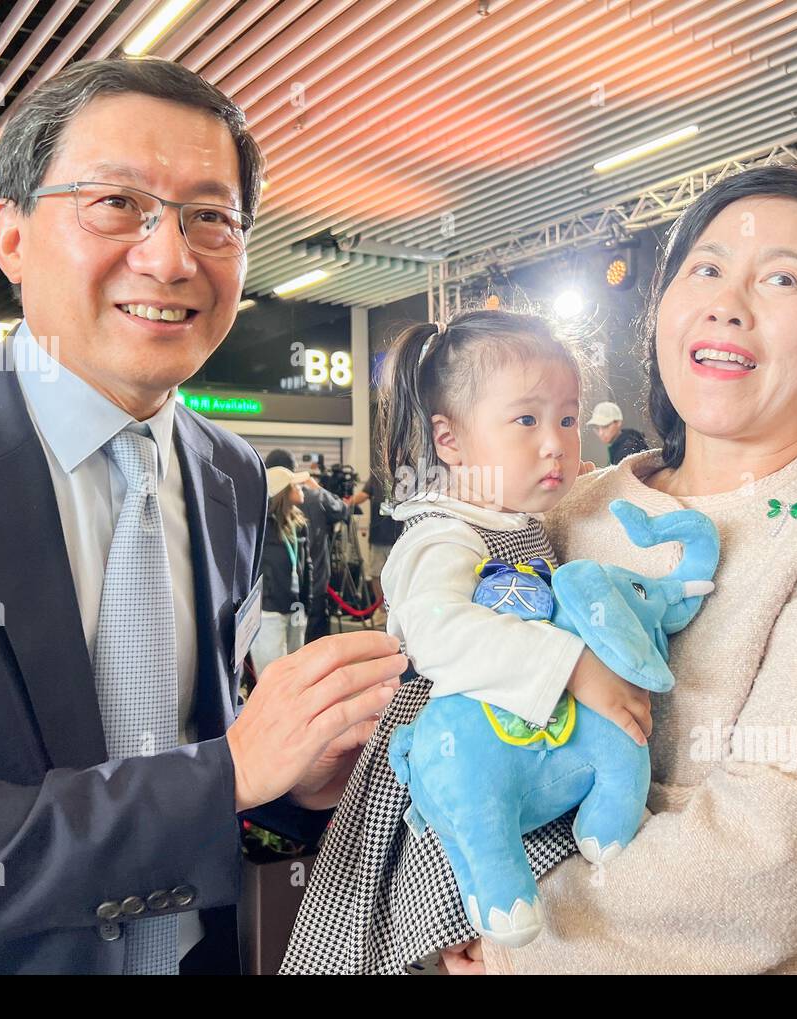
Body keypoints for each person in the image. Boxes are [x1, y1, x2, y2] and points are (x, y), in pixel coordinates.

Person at [0, 57, 406, 975]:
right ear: (10, 236)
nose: (171, 258)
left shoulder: (232, 473)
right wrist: (229, 773)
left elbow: (197, 740)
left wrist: (297, 781)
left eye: (211, 217)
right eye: (116, 203)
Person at [440, 165, 797, 974]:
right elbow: (462, 723)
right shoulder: (571, 510)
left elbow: (775, 853)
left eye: (782, 278)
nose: (728, 303)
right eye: (705, 268)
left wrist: (509, 940)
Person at [280, 310, 653, 974]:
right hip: (447, 750)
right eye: (526, 420)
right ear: (449, 440)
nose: (556, 444)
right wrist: (572, 666)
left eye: (568, 419)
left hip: (515, 738)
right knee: (450, 895)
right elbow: (438, 632)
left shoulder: (520, 521)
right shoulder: (442, 533)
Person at [263, 449, 347, 643]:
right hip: (311, 592)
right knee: (313, 648)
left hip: (275, 599)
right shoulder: (315, 497)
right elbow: (342, 511)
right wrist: (318, 488)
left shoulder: (260, 506)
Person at [249, 465, 312, 671]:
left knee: (295, 670)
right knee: (272, 671)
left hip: (296, 607)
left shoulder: (299, 523)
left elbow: (307, 564)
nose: (301, 489)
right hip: (269, 610)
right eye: (296, 486)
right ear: (282, 492)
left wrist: (307, 601)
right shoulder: (260, 526)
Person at [349, 471, 400, 608]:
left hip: (398, 538)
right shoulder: (377, 476)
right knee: (376, 573)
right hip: (379, 537)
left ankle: (394, 608)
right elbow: (363, 495)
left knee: (397, 575)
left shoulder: (407, 475)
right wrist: (345, 503)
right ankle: (382, 609)